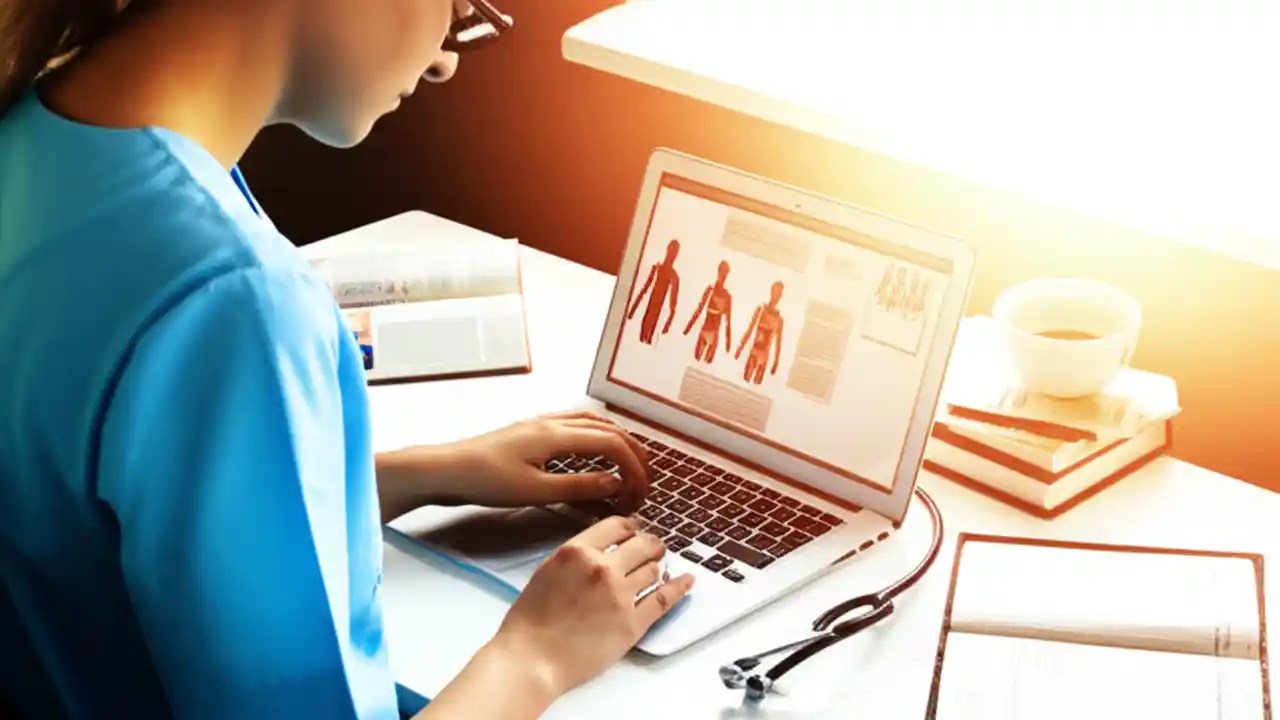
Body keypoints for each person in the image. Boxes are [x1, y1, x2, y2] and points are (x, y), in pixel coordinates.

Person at [0, 2, 693, 719]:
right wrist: (537, 656)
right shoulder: (232, 296)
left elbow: (97, 517)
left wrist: (419, 473)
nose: (444, 58)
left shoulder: (37, 140)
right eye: (459, 6)